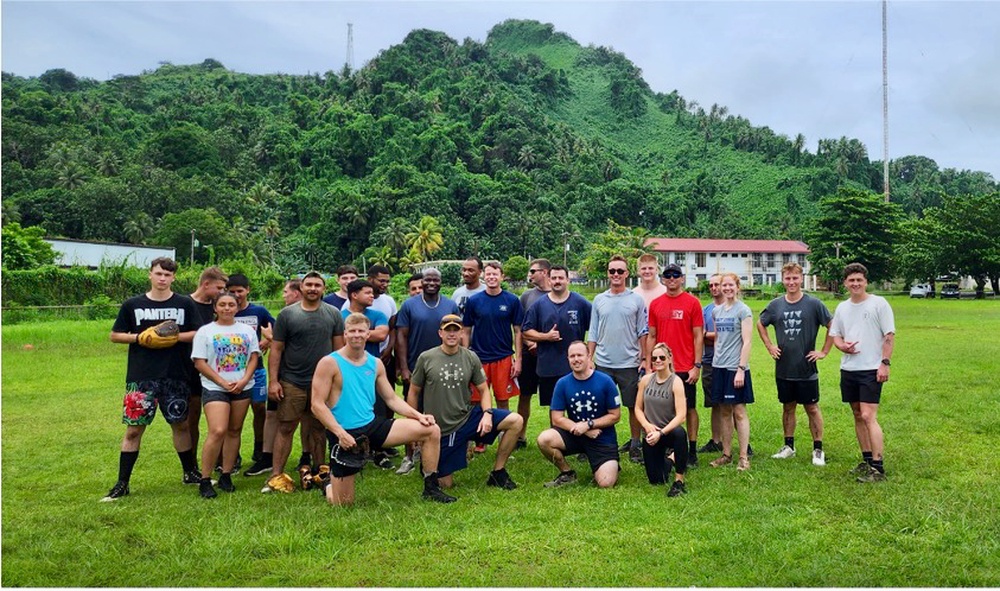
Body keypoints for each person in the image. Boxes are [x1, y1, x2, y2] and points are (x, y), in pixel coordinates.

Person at [310, 313, 456, 505]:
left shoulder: (375, 363)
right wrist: (339, 433)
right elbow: (317, 405)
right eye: (352, 331)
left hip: (372, 426)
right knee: (343, 504)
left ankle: (431, 487)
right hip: (344, 433)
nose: (356, 335)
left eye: (361, 331)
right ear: (345, 334)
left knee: (431, 430)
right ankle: (329, 485)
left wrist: (418, 416)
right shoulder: (329, 362)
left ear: (367, 334)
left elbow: (391, 398)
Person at [102, 257, 201, 501]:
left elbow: (198, 332)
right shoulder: (133, 304)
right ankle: (122, 483)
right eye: (158, 273)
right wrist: (140, 338)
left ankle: (190, 472)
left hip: (175, 375)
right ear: (150, 274)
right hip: (141, 377)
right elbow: (115, 335)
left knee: (181, 424)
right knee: (134, 430)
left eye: (167, 275)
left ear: (173, 277)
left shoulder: (184, 304)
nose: (162, 278)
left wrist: (173, 338)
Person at [408, 314, 524, 490]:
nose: (452, 334)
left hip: (467, 417)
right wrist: (413, 422)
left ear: (462, 332)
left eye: (456, 330)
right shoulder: (426, 357)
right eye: (448, 330)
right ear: (440, 333)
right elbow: (414, 392)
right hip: (441, 428)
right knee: (444, 484)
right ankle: (429, 460)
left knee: (516, 421)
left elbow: (484, 389)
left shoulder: (470, 357)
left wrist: (487, 414)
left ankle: (498, 472)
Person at [265, 271, 345, 493]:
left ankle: (321, 472)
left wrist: (338, 382)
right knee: (286, 426)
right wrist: (274, 381)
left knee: (319, 428)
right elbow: (276, 349)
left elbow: (339, 350)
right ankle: (275, 475)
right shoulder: (287, 314)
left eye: (317, 285)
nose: (312, 288)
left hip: (322, 383)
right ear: (301, 288)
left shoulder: (334, 314)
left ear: (323, 288)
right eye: (308, 284)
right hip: (292, 380)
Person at [756, 262, 834, 466]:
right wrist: (769, 346)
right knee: (788, 407)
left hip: (806, 368)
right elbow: (760, 323)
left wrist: (824, 351)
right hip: (784, 368)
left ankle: (818, 449)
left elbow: (832, 325)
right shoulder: (775, 305)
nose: (791, 282)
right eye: (788, 278)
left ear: (801, 279)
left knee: (812, 408)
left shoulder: (814, 304)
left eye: (795, 278)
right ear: (783, 280)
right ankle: (788, 446)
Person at [830, 262, 895, 483]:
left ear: (866, 282)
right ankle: (866, 460)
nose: (855, 283)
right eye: (851, 280)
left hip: (871, 368)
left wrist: (885, 363)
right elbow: (835, 335)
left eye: (859, 280)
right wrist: (842, 346)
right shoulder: (842, 308)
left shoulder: (879, 304)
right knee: (857, 414)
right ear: (845, 283)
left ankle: (878, 467)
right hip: (849, 368)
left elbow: (889, 335)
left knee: (868, 416)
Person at [191, 291, 260, 498]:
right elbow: (199, 362)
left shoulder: (247, 330)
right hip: (215, 387)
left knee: (235, 430)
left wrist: (244, 380)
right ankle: (205, 478)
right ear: (215, 308)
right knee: (218, 430)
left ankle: (227, 474)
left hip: (242, 386)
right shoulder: (205, 331)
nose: (227, 308)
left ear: (237, 307)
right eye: (222, 305)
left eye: (231, 304)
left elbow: (254, 357)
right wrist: (221, 381)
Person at [395, 267, 460, 472]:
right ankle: (409, 456)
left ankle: (444, 452)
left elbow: (458, 335)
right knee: (413, 412)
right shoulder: (409, 305)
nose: (431, 283)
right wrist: (404, 367)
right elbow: (401, 337)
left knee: (444, 411)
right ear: (421, 282)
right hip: (416, 368)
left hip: (445, 368)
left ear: (440, 282)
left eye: (435, 279)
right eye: (427, 279)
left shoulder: (450, 305)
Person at [586, 255, 648, 464]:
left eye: (620, 271)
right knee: (599, 406)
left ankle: (635, 444)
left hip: (629, 363)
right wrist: (589, 357)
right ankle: (598, 443)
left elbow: (643, 331)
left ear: (627, 274)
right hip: (603, 362)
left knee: (633, 406)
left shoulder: (636, 299)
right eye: (612, 271)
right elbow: (593, 331)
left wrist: (645, 359)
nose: (615, 275)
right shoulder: (599, 300)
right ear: (608, 273)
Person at [536, 341, 621, 488]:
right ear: (568, 359)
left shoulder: (606, 381)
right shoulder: (562, 383)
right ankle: (567, 473)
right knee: (544, 439)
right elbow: (556, 418)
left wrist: (589, 425)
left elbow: (615, 415)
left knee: (606, 483)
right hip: (575, 434)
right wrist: (580, 428)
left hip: (601, 437)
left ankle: (609, 463)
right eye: (572, 356)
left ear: (589, 356)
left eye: (580, 355)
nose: (576, 359)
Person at [646, 263, 704, 466]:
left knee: (688, 409)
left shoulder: (692, 303)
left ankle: (692, 451)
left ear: (682, 278)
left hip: (685, 367)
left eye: (675, 275)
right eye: (668, 275)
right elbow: (651, 336)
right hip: (662, 367)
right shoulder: (655, 304)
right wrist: (649, 365)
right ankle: (663, 447)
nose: (671, 279)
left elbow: (698, 336)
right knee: (660, 409)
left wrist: (696, 365)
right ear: (663, 279)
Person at [245, 278, 301, 477]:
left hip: (302, 377)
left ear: (296, 293)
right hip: (282, 376)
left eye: (286, 291)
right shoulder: (284, 316)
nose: (284, 295)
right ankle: (266, 457)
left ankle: (309, 458)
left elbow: (288, 344)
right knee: (272, 414)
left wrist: (269, 338)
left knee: (309, 420)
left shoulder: (315, 314)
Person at [522, 265, 592, 409]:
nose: (557, 281)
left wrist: (589, 356)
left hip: (575, 365)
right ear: (549, 280)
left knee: (578, 405)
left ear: (568, 280)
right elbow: (526, 331)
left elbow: (595, 330)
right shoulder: (539, 305)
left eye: (561, 278)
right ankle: (557, 432)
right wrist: (545, 336)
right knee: (555, 407)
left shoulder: (580, 303)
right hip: (549, 366)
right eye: (554, 278)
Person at [225, 273, 275, 474]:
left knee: (259, 408)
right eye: (232, 291)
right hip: (230, 370)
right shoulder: (225, 311)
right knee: (232, 413)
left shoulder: (258, 311)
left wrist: (267, 341)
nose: (236, 295)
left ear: (248, 290)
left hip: (257, 369)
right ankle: (232, 455)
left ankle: (260, 448)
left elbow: (275, 330)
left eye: (240, 291)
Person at [342, 278, 394, 469]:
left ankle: (379, 452)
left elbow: (382, 334)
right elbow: (338, 340)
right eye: (368, 292)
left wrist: (354, 333)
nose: (372, 295)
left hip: (372, 371)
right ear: (354, 295)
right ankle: (355, 451)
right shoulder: (339, 315)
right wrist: (364, 332)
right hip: (347, 373)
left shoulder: (378, 314)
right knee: (353, 411)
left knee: (378, 409)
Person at [708, 273, 754, 472]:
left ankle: (743, 457)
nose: (726, 288)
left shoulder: (743, 310)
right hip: (719, 367)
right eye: (723, 285)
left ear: (737, 287)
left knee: (739, 411)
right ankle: (726, 454)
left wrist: (740, 369)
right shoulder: (716, 312)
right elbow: (718, 338)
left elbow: (747, 341)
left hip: (735, 368)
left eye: (730, 285)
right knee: (724, 411)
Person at [463, 261, 523, 413]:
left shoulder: (512, 300)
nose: (491, 277)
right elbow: (466, 330)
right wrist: (464, 356)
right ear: (483, 276)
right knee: (476, 401)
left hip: (503, 358)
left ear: (502, 277)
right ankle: (477, 435)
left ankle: (505, 436)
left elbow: (518, 331)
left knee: (502, 401)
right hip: (479, 358)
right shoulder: (474, 301)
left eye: (495, 274)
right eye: (488, 274)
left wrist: (518, 360)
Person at [184, 266, 228, 456]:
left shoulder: (218, 307)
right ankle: (191, 462)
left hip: (217, 370)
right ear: (206, 284)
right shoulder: (184, 304)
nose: (222, 293)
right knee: (191, 417)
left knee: (219, 419)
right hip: (189, 368)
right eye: (218, 288)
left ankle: (221, 459)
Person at [634, 343, 688, 497]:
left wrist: (662, 433)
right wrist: (646, 425)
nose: (658, 360)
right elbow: (638, 408)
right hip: (651, 434)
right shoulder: (645, 380)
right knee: (657, 480)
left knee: (679, 433)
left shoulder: (676, 382)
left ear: (669, 359)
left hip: (668, 432)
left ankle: (679, 480)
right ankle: (671, 458)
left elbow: (681, 415)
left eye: (662, 357)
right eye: (654, 358)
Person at [515, 258, 552, 448]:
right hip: (530, 354)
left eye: (533, 271)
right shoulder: (527, 296)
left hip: (551, 355)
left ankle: (558, 435)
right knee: (525, 395)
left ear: (545, 272)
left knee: (556, 397)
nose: (529, 275)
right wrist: (531, 344)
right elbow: (520, 326)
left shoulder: (558, 294)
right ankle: (520, 436)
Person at [697, 274, 725, 454]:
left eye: (718, 284)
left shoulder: (734, 308)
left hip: (730, 362)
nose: (714, 288)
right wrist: (719, 335)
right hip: (709, 362)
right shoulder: (705, 310)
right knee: (714, 403)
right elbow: (700, 335)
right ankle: (716, 440)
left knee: (733, 403)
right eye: (711, 285)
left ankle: (743, 443)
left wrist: (711, 335)